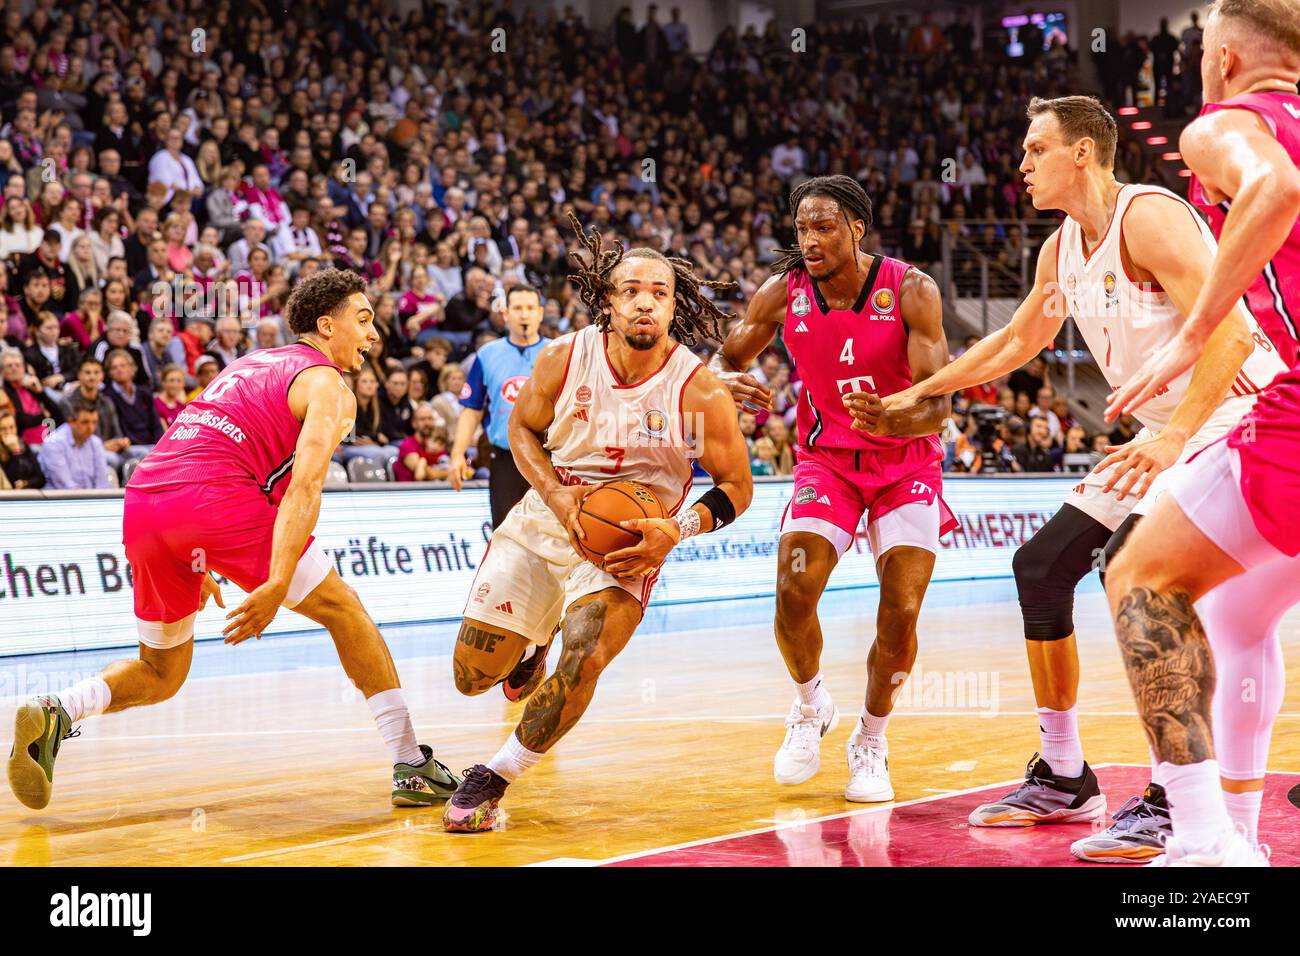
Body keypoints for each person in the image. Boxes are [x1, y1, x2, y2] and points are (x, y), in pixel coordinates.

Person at [881, 94, 1282, 863]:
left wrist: (1173, 445)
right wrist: (923, 392)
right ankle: (1065, 775)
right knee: (1040, 566)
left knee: (1141, 575)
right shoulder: (1062, 248)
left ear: (1083, 154)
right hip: (1165, 433)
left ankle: (1175, 796)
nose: (1022, 164)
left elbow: (1234, 332)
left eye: (1035, 149)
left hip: (1235, 422)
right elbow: (1014, 340)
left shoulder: (1149, 218)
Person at [7, 269, 460, 812]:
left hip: (145, 497)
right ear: (325, 325)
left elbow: (216, 450)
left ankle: (59, 707)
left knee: (162, 672)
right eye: (362, 321)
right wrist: (276, 580)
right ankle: (411, 765)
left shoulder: (247, 363)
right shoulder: (330, 386)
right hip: (213, 501)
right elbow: (305, 486)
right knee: (345, 610)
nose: (372, 335)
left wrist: (199, 561)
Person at [442, 215, 752, 832]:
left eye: (659, 293)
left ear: (673, 306)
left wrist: (678, 530)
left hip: (633, 540)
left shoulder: (700, 391)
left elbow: (737, 487)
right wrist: (556, 496)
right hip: (549, 514)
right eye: (632, 290)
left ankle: (494, 776)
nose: (646, 302)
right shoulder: (564, 357)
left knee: (584, 658)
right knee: (472, 678)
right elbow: (523, 430)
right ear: (607, 301)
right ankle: (531, 641)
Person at [1102, 0, 1300, 867]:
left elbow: (1275, 186)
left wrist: (1192, 331)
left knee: (1140, 576)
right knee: (1238, 606)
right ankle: (1240, 837)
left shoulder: (1223, 123)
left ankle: (1203, 841)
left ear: (1220, 56)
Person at [711, 176, 955, 804]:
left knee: (900, 612)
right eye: (801, 229)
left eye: (824, 227)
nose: (810, 240)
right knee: (793, 589)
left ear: (856, 228)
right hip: (827, 465)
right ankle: (810, 705)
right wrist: (722, 384)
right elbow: (724, 360)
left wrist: (893, 418)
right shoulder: (782, 292)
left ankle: (871, 739)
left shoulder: (912, 290)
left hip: (906, 465)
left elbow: (939, 408)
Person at [448, 284, 547, 527]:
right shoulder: (487, 355)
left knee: (551, 538)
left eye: (530, 308)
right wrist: (458, 453)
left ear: (540, 313)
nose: (524, 314)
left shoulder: (558, 352)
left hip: (550, 458)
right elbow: (471, 409)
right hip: (505, 459)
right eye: (518, 308)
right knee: (506, 537)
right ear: (506, 314)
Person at [1, 347, 63, 447]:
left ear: (24, 368)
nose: (14, 368)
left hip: (50, 437)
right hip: (26, 444)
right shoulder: (3, 392)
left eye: (18, 365)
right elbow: (20, 420)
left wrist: (41, 393)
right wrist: (44, 416)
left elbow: (58, 414)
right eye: (9, 366)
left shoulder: (32, 386)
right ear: (2, 371)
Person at [39, 405, 109, 490]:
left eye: (94, 422)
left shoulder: (96, 442)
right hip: (61, 499)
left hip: (90, 498)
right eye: (85, 422)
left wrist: (100, 499)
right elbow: (64, 484)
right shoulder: (53, 444)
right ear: (71, 422)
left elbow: (102, 482)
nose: (90, 428)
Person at [395, 404, 466, 482]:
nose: (427, 423)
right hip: (410, 491)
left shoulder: (435, 445)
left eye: (430, 419)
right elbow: (426, 474)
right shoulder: (408, 445)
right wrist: (452, 472)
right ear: (414, 423)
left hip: (434, 490)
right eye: (422, 419)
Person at [0, 408, 44, 489]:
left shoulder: (23, 444)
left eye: (12, 427)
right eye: (3, 429)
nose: (9, 432)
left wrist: (26, 483)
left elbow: (41, 478)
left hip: (31, 494)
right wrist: (15, 451)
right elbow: (13, 482)